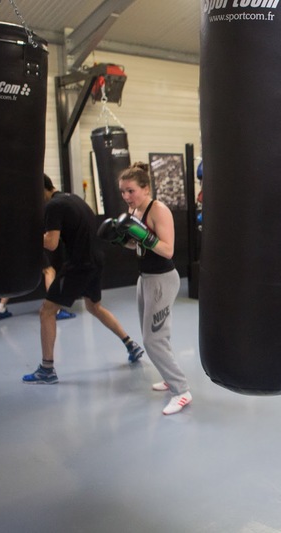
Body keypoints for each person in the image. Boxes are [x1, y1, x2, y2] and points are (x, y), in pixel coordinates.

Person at [22, 175, 145, 384]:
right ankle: (131, 344)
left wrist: (25, 237)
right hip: (96, 260)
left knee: (46, 311)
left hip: (79, 264)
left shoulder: (53, 206)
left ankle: (47, 369)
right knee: (94, 306)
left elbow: (51, 244)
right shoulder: (73, 199)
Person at [99, 162, 192, 415]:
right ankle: (168, 374)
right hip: (146, 278)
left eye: (130, 191)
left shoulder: (157, 209)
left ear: (146, 188)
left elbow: (167, 249)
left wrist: (143, 235)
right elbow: (139, 246)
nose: (126, 197)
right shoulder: (135, 212)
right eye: (122, 192)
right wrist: (122, 241)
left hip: (162, 279)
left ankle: (181, 390)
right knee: (156, 334)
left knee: (152, 340)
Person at [0, 253, 76, 321]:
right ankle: (55, 310)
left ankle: (0, 309)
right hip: (30, 245)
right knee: (49, 271)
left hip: (16, 246)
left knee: (16, 276)